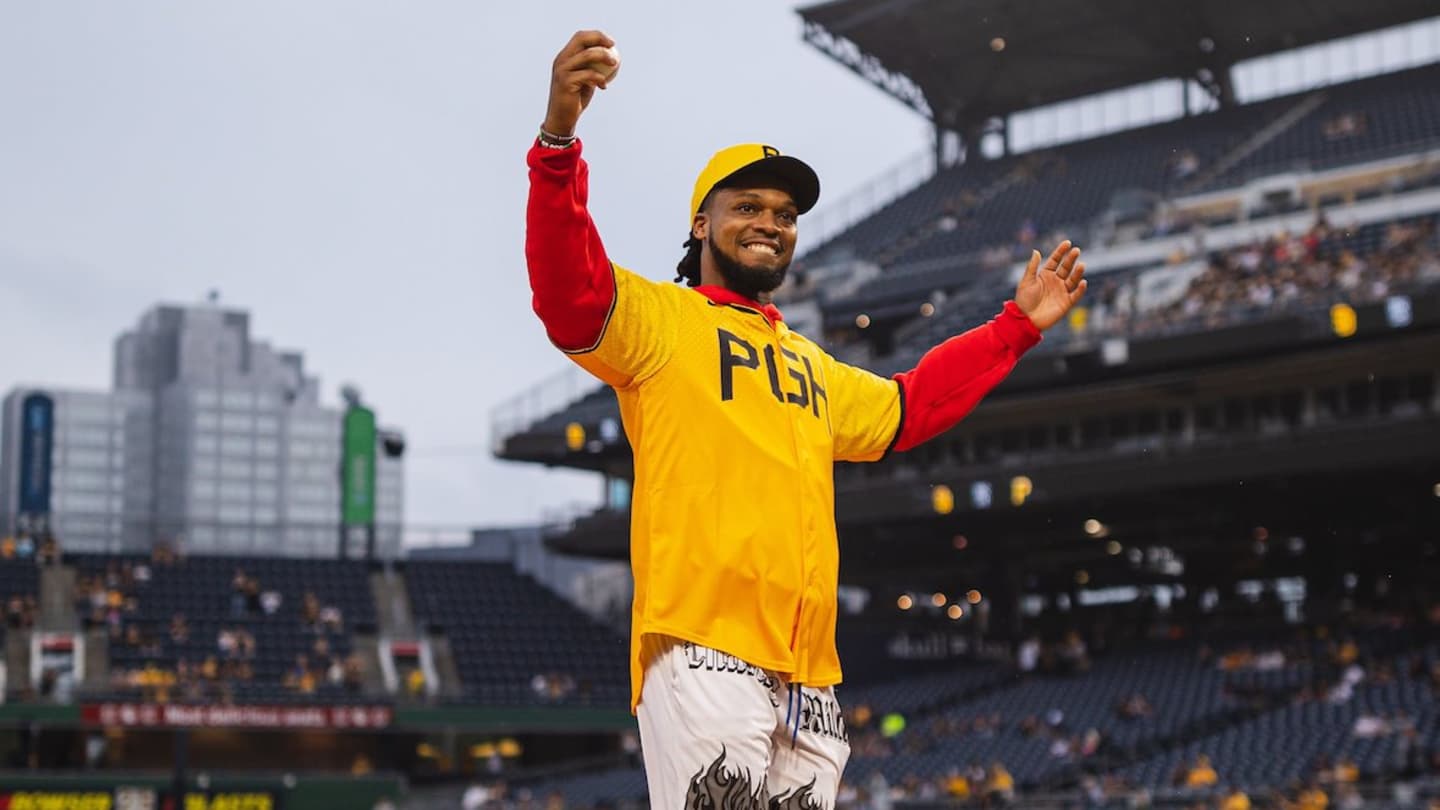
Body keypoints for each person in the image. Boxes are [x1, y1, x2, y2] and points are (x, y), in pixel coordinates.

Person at [525, 29, 1088, 809]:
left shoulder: (809, 364)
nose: (769, 221)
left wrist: (1015, 328)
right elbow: (569, 294)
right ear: (700, 224)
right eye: (746, 205)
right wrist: (558, 142)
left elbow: (908, 407)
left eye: (784, 212)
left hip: (809, 676)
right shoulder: (661, 322)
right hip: (703, 644)